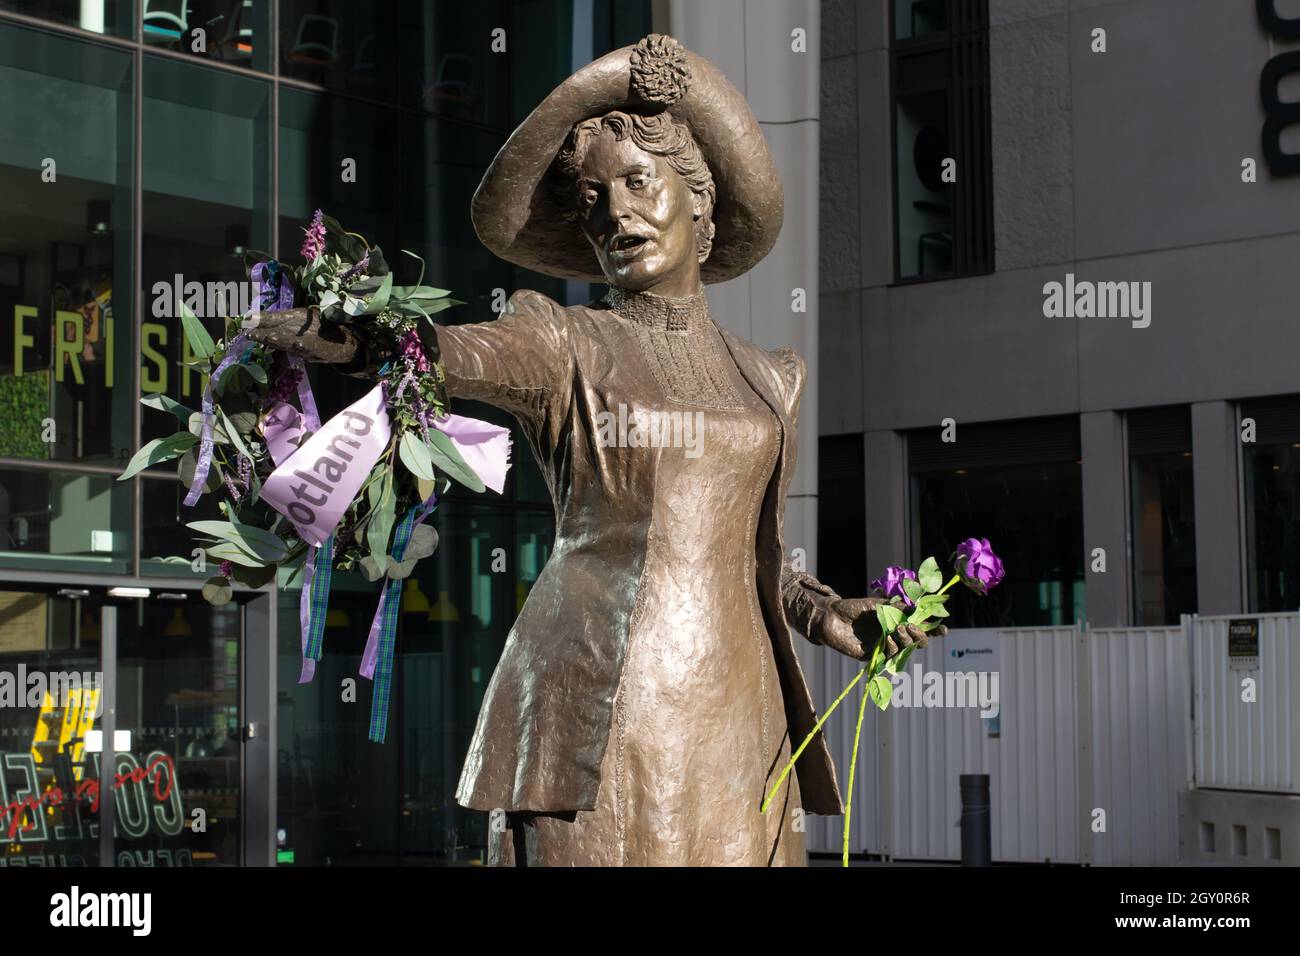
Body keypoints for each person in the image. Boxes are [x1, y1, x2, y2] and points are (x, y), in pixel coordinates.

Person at [249, 33, 942, 866]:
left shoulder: (771, 379)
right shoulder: (563, 343)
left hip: (740, 719)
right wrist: (354, 333)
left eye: (639, 183)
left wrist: (827, 612)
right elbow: (451, 352)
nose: (615, 214)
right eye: (592, 199)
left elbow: (750, 553)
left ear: (700, 200)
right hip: (598, 713)